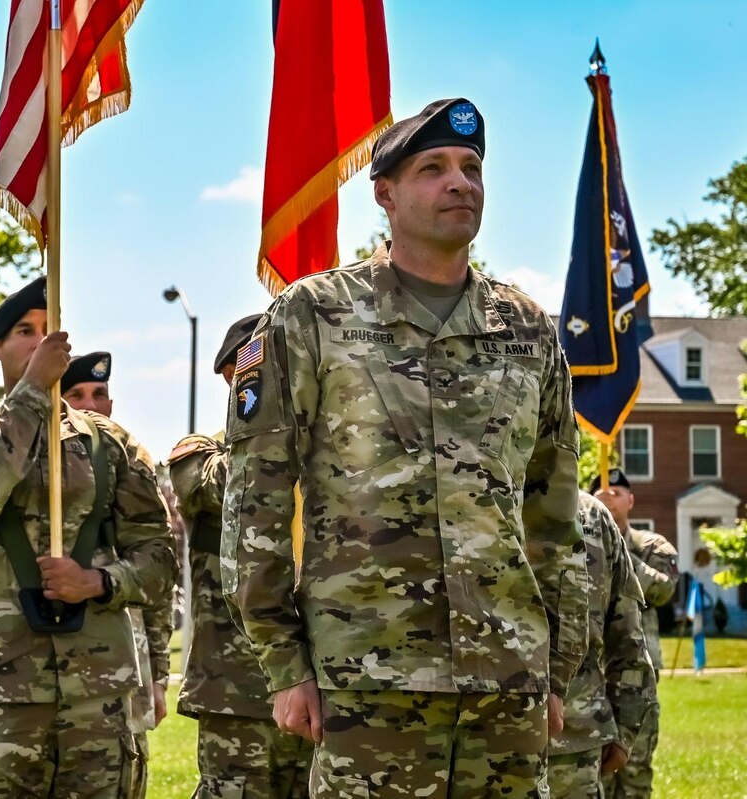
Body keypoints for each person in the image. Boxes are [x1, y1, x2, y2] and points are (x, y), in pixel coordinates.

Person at [222, 97, 589, 798]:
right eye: (434, 168)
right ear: (385, 193)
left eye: (471, 167)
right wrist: (285, 666)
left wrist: (555, 667)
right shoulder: (314, 315)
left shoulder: (528, 329)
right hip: (367, 680)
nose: (460, 182)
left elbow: (555, 516)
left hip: (506, 680)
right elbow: (255, 503)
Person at [0, 276, 178, 798]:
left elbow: (158, 557)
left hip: (100, 689)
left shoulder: (109, 443)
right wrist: (32, 394)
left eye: (47, 330)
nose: (40, 342)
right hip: (0, 685)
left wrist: (100, 582)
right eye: (24, 331)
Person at [169, 315, 312, 799]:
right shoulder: (198, 453)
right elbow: (226, 482)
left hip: (324, 678)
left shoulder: (329, 455)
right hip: (235, 689)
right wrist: (275, 426)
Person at [60, 350, 175, 799]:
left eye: (99, 394)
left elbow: (159, 587)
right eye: (76, 394)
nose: (90, 404)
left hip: (122, 667)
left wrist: (160, 676)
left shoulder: (131, 468)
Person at [549, 492, 657, 798]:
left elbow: (628, 640)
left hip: (574, 749)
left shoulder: (593, 516)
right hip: (468, 748)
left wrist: (624, 730)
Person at [593, 468, 679, 798]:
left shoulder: (653, 545)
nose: (609, 497)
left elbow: (661, 591)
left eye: (616, 491)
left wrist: (611, 548)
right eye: (602, 492)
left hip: (636, 676)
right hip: (590, 674)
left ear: (631, 499)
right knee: (592, 773)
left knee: (635, 769)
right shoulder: (576, 543)